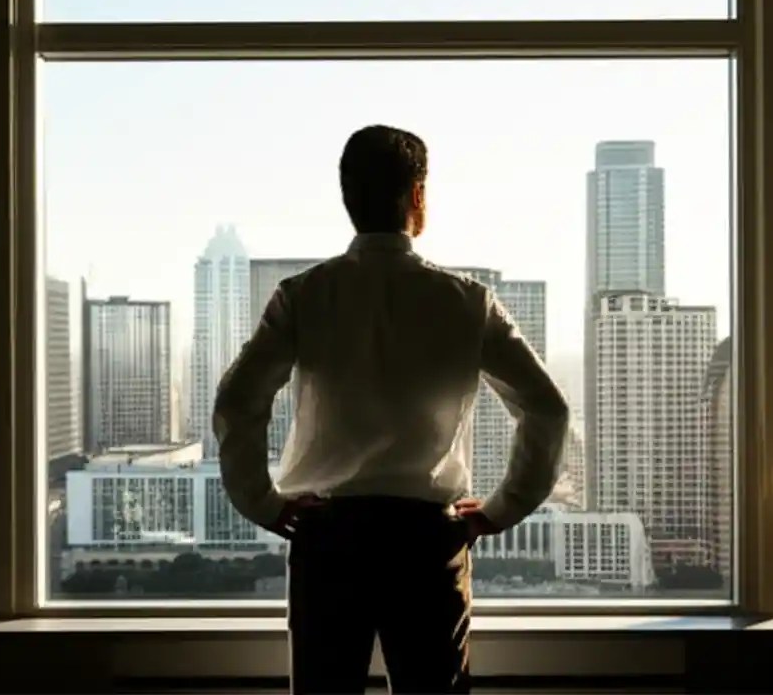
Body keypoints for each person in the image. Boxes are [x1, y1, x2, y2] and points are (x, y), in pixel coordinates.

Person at [213, 124, 570, 694]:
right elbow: (547, 409)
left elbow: (238, 400)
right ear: (418, 195)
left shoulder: (304, 294)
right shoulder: (467, 301)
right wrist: (500, 510)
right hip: (426, 540)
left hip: (328, 536)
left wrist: (262, 501)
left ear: (347, 198)